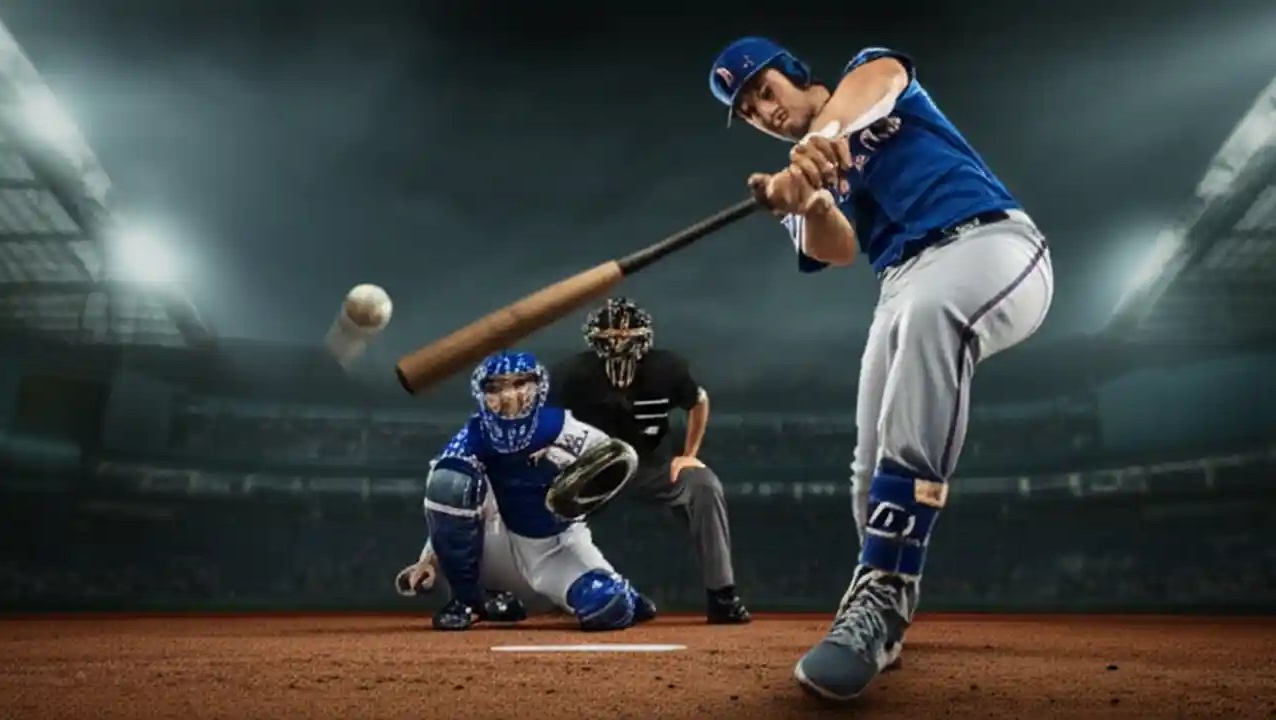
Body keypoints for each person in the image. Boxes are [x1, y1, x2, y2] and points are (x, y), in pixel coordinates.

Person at [707, 37, 1055, 699]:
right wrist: (809, 202)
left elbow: (883, 76)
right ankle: (874, 614)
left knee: (934, 318)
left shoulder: (859, 79)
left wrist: (822, 140)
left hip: (988, 243)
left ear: (793, 71)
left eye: (763, 88)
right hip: (900, 282)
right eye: (747, 107)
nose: (762, 109)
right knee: (868, 473)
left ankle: (889, 590)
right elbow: (835, 251)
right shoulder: (797, 179)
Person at [396, 350, 656, 631]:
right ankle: (468, 601)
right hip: (493, 545)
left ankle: (619, 589)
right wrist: (429, 558)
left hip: (554, 548)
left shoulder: (563, 429)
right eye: (495, 388)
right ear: (481, 394)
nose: (509, 398)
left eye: (520, 384)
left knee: (608, 607)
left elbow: (614, 460)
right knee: (450, 478)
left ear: (539, 387)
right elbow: (444, 500)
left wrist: (578, 482)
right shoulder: (471, 439)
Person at [547, 297, 751, 624]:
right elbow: (547, 421)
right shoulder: (572, 374)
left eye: (626, 337)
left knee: (704, 485)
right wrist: (558, 465)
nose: (618, 344)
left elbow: (699, 401)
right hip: (592, 472)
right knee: (539, 497)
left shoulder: (666, 369)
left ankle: (722, 595)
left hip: (651, 468)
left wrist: (688, 456)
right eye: (611, 336)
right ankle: (553, 590)